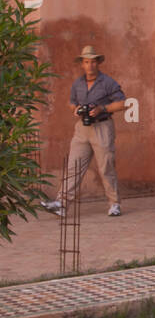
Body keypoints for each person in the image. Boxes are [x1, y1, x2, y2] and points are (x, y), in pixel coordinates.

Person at [42, 45, 126, 217]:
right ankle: (61, 204)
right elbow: (72, 102)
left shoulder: (108, 82)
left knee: (106, 167)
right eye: (87, 62)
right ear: (82, 64)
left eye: (93, 62)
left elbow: (123, 103)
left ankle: (114, 204)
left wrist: (102, 108)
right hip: (82, 128)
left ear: (98, 63)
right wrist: (76, 109)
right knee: (73, 166)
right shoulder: (78, 83)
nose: (90, 65)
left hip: (102, 126)